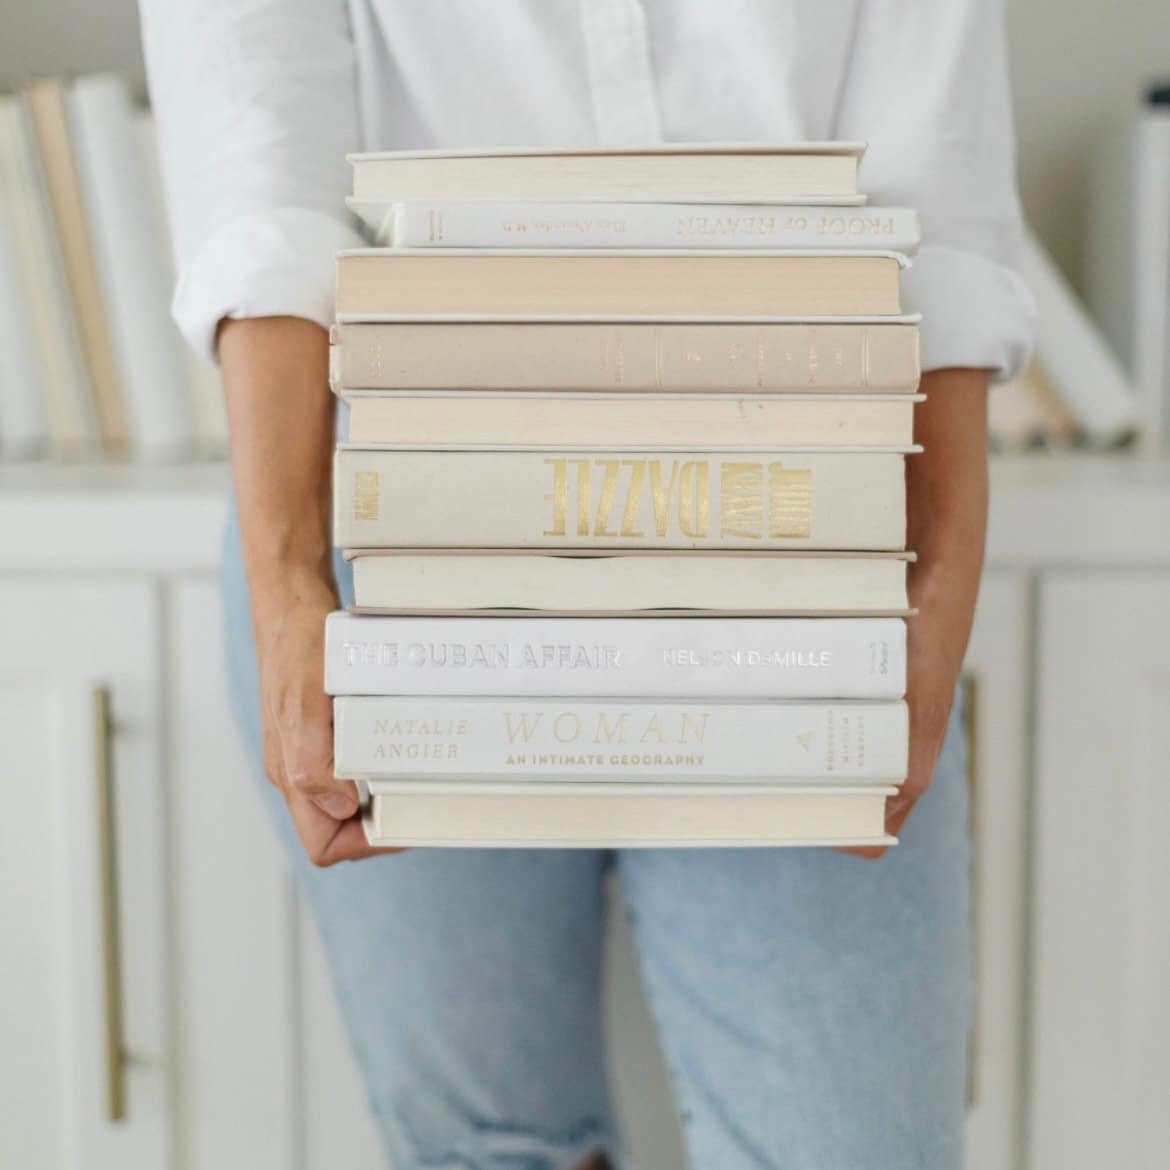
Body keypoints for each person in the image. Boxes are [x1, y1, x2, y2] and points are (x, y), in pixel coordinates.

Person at [139, 2, 1034, 1167]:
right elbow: (258, 176)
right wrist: (291, 587)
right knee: (497, 1149)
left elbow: (942, 213)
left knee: (852, 1145)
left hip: (804, 533)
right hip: (393, 523)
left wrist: (932, 595)